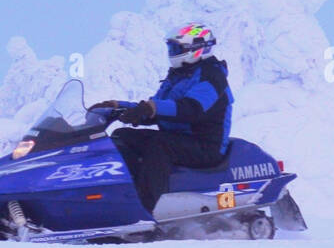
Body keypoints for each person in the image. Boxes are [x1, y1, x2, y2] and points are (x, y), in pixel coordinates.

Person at [91, 23, 233, 213]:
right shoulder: (178, 76)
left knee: (160, 145)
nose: (172, 52)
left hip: (205, 145)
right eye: (171, 48)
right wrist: (120, 107)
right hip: (181, 140)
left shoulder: (212, 76)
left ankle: (147, 209)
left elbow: (191, 109)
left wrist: (152, 108)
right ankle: (121, 195)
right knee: (123, 136)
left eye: (177, 48)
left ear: (196, 49)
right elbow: (156, 108)